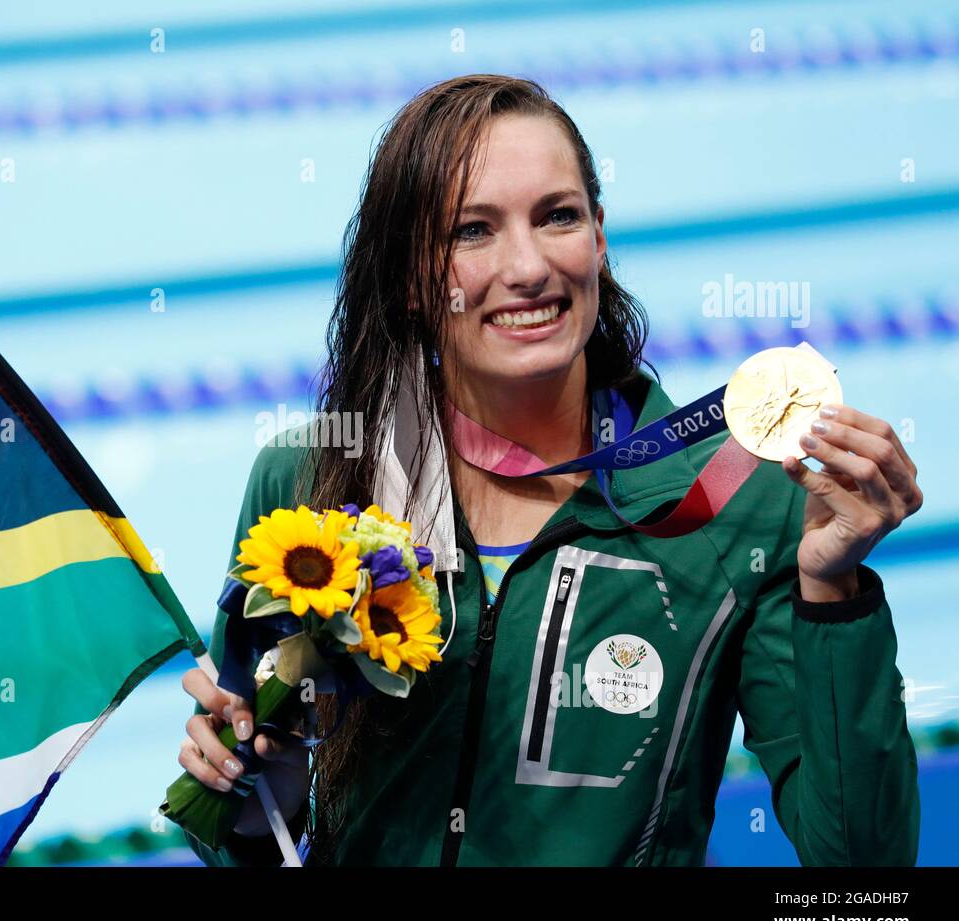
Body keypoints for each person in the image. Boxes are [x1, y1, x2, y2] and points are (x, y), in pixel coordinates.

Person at [177, 75, 923, 866]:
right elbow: (247, 835)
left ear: (598, 236)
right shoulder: (311, 483)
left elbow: (861, 876)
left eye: (557, 216)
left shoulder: (733, 503)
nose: (528, 266)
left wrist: (833, 594)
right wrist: (262, 804)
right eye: (473, 230)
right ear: (407, 277)